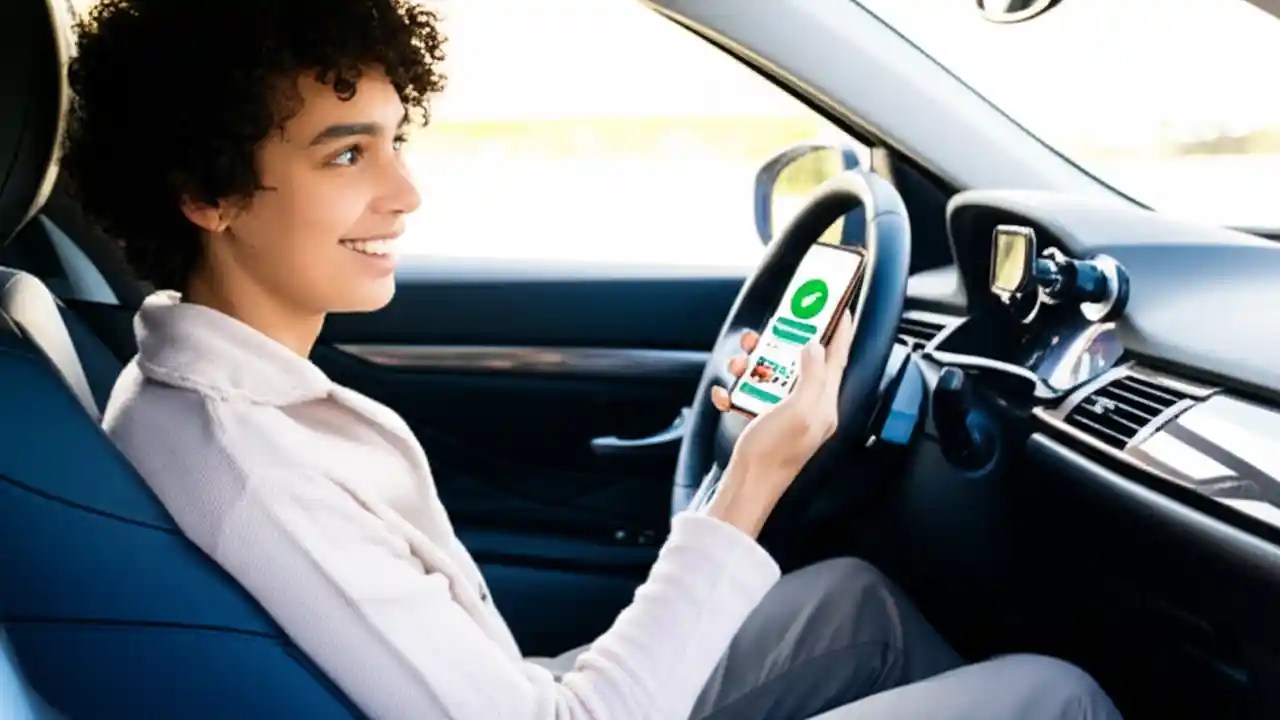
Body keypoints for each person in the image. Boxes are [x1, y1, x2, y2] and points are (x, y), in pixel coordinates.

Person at [64, 0, 1122, 718]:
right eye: (346, 153)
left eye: (398, 139)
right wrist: (749, 477)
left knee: (849, 602)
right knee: (1046, 692)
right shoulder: (249, 465)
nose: (404, 193)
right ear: (206, 193)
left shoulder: (231, 392)